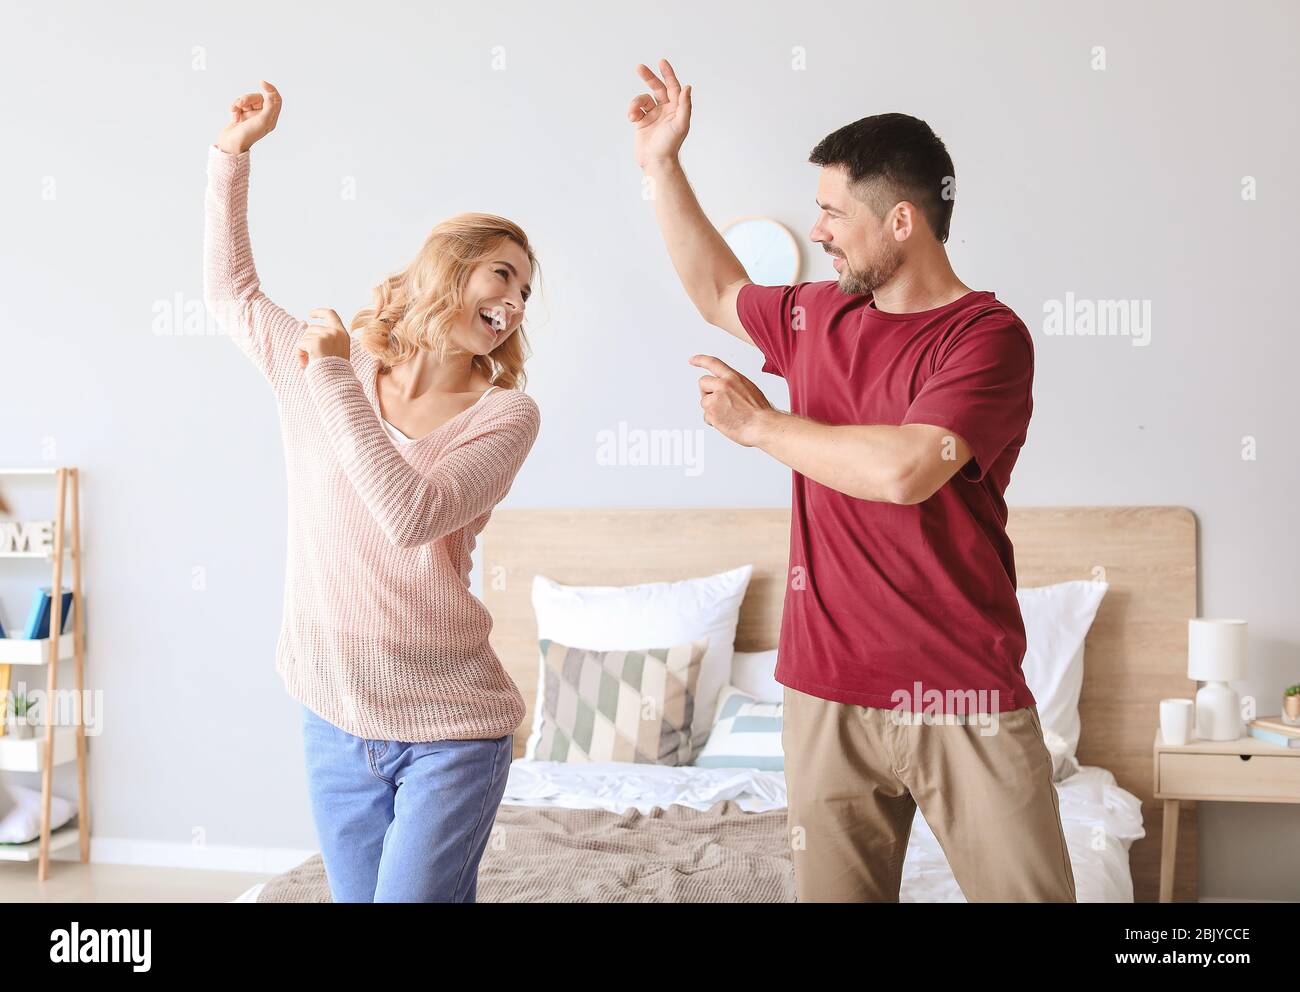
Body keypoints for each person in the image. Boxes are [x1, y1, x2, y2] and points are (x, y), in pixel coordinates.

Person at [627, 59, 1074, 902]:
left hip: (964, 694)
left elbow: (907, 469)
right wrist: (662, 166)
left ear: (902, 220)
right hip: (825, 691)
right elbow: (718, 287)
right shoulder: (816, 316)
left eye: (833, 212)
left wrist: (761, 427)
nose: (820, 229)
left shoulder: (986, 336)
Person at [203, 81, 540, 902]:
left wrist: (330, 378)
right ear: (448, 269)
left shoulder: (505, 416)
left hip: (451, 731)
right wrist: (231, 157)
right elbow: (232, 297)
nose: (515, 301)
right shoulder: (333, 367)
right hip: (333, 717)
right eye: (503, 274)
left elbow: (409, 513)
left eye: (527, 292)